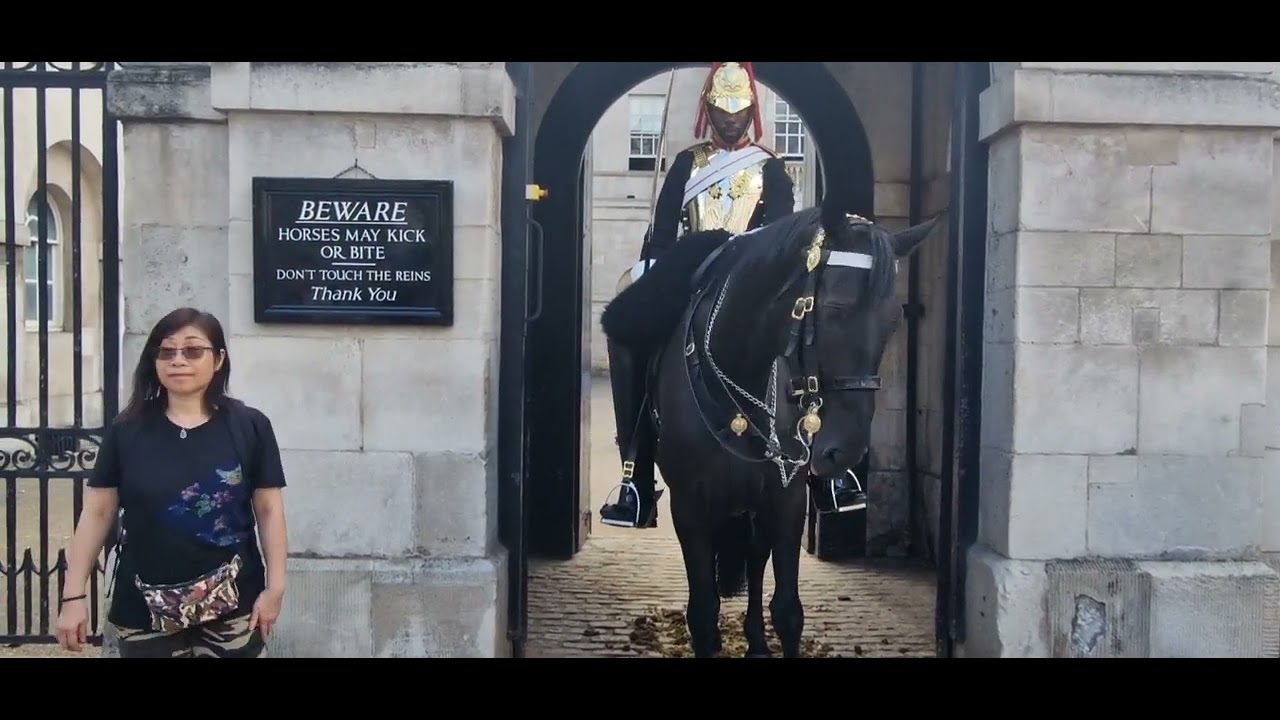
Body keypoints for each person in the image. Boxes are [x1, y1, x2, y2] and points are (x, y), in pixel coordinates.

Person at [598, 62, 870, 530]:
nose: (730, 120)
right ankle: (636, 474)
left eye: (738, 110)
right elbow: (663, 231)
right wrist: (656, 273)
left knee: (814, 333)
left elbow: (780, 235)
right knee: (630, 332)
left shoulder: (771, 168)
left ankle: (828, 467)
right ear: (708, 109)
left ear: (751, 111)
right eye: (722, 110)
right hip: (691, 271)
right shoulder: (687, 163)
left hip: (752, 278)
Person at [55, 307, 289, 658]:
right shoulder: (127, 430)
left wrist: (276, 588)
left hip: (233, 608)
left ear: (218, 359)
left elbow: (269, 510)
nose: (178, 360)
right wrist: (73, 596)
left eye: (193, 350)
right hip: (144, 607)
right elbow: (98, 513)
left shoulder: (249, 426)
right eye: (167, 351)